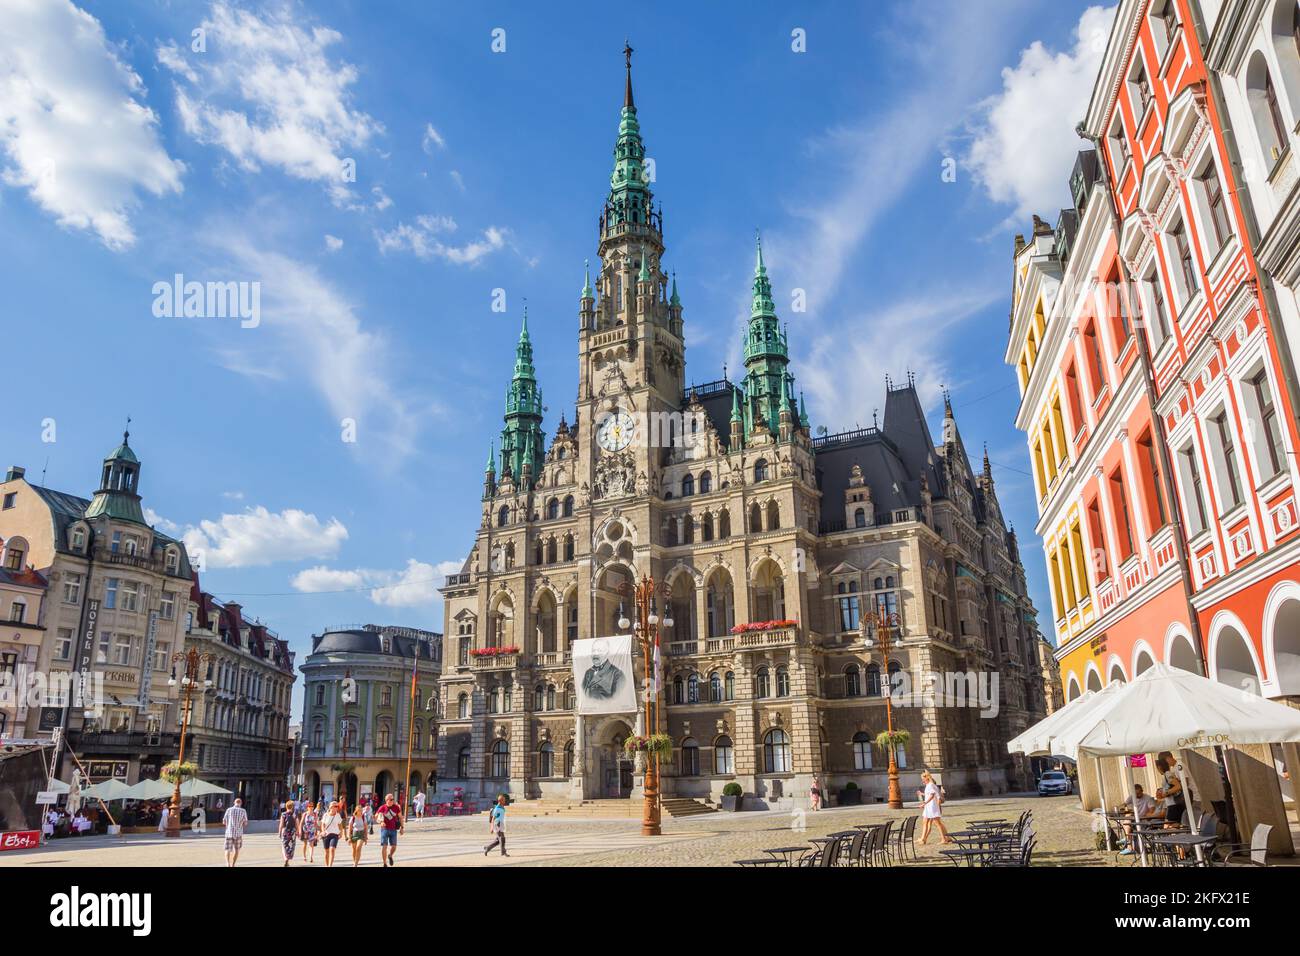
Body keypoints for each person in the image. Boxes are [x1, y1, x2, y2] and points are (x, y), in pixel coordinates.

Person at [918, 770, 952, 845]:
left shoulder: (931, 785)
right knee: (926, 822)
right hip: (928, 807)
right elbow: (929, 795)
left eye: (923, 779)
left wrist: (924, 803)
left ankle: (944, 839)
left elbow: (932, 795)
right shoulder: (929, 785)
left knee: (937, 823)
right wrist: (922, 795)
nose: (922, 780)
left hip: (932, 807)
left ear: (926, 778)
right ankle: (923, 839)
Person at [375, 793, 404, 867]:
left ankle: (390, 855)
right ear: (386, 800)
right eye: (391, 799)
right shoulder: (382, 807)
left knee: (394, 846)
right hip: (384, 829)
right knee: (384, 846)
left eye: (393, 799)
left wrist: (402, 827)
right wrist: (380, 822)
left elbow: (400, 817)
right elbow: (376, 816)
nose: (392, 800)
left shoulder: (396, 807)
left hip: (393, 829)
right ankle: (384, 863)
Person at [222, 798, 249, 867]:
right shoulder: (243, 811)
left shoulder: (229, 810)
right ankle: (233, 864)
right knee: (237, 850)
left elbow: (224, 821)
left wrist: (228, 825)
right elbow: (245, 823)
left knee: (227, 849)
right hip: (238, 833)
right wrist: (241, 824)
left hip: (229, 833)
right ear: (241, 803)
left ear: (234, 802)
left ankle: (228, 864)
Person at [318, 800, 343, 867]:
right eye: (334, 806)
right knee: (326, 852)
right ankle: (327, 865)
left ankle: (330, 865)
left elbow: (340, 825)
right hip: (326, 835)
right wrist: (323, 831)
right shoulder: (326, 815)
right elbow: (322, 824)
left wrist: (341, 832)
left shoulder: (338, 815)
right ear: (330, 807)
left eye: (336, 806)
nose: (336, 808)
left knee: (332, 849)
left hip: (334, 834)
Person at [278, 799, 298, 866]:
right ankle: (289, 857)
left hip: (285, 831)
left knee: (284, 846)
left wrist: (279, 832)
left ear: (286, 806)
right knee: (291, 846)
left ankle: (285, 858)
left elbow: (281, 824)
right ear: (292, 807)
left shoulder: (283, 814)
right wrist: (298, 832)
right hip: (292, 832)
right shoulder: (294, 815)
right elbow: (297, 824)